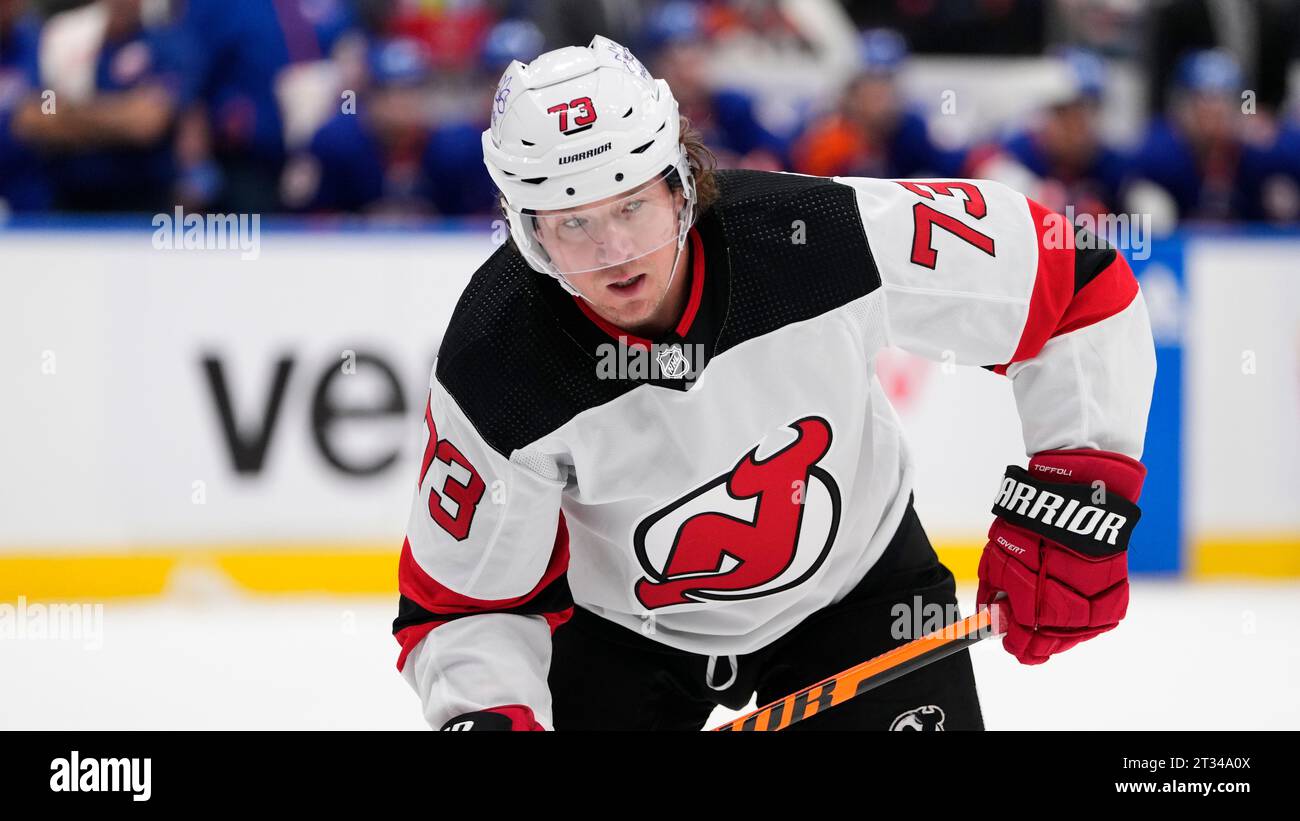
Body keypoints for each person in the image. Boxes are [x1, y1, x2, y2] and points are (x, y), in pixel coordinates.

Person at [392, 37, 1155, 731]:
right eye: (574, 224)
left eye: (633, 206)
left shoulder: (816, 239)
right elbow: (463, 602)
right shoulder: (497, 359)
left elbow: (1073, 280)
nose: (616, 253)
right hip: (622, 639)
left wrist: (1076, 497)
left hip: (859, 597)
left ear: (681, 183)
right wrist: (487, 714)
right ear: (529, 230)